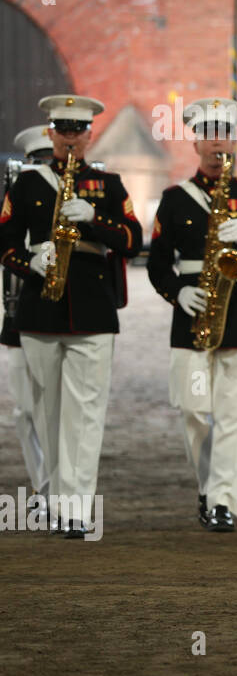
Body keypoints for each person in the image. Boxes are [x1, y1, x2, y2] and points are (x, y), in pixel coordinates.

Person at [0, 95, 143, 538]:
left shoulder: (109, 184)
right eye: (62, 128)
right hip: (41, 306)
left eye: (78, 130)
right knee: (48, 410)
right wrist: (30, 261)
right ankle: (57, 499)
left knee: (86, 413)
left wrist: (95, 219)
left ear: (89, 134)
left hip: (92, 307)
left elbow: (132, 240)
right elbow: (3, 243)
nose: (70, 136)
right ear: (51, 133)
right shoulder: (25, 185)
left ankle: (77, 508)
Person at [147, 98, 237, 532]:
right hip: (193, 314)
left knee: (235, 414)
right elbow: (157, 262)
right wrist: (177, 292)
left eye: (226, 132)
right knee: (193, 409)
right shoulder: (175, 200)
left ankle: (223, 501)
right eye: (210, 133)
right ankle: (207, 485)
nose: (219, 140)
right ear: (197, 140)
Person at [3, 125, 54, 511]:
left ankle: (57, 485)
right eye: (38, 162)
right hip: (20, 314)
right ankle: (41, 483)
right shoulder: (20, 196)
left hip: (63, 313)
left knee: (55, 406)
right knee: (24, 409)